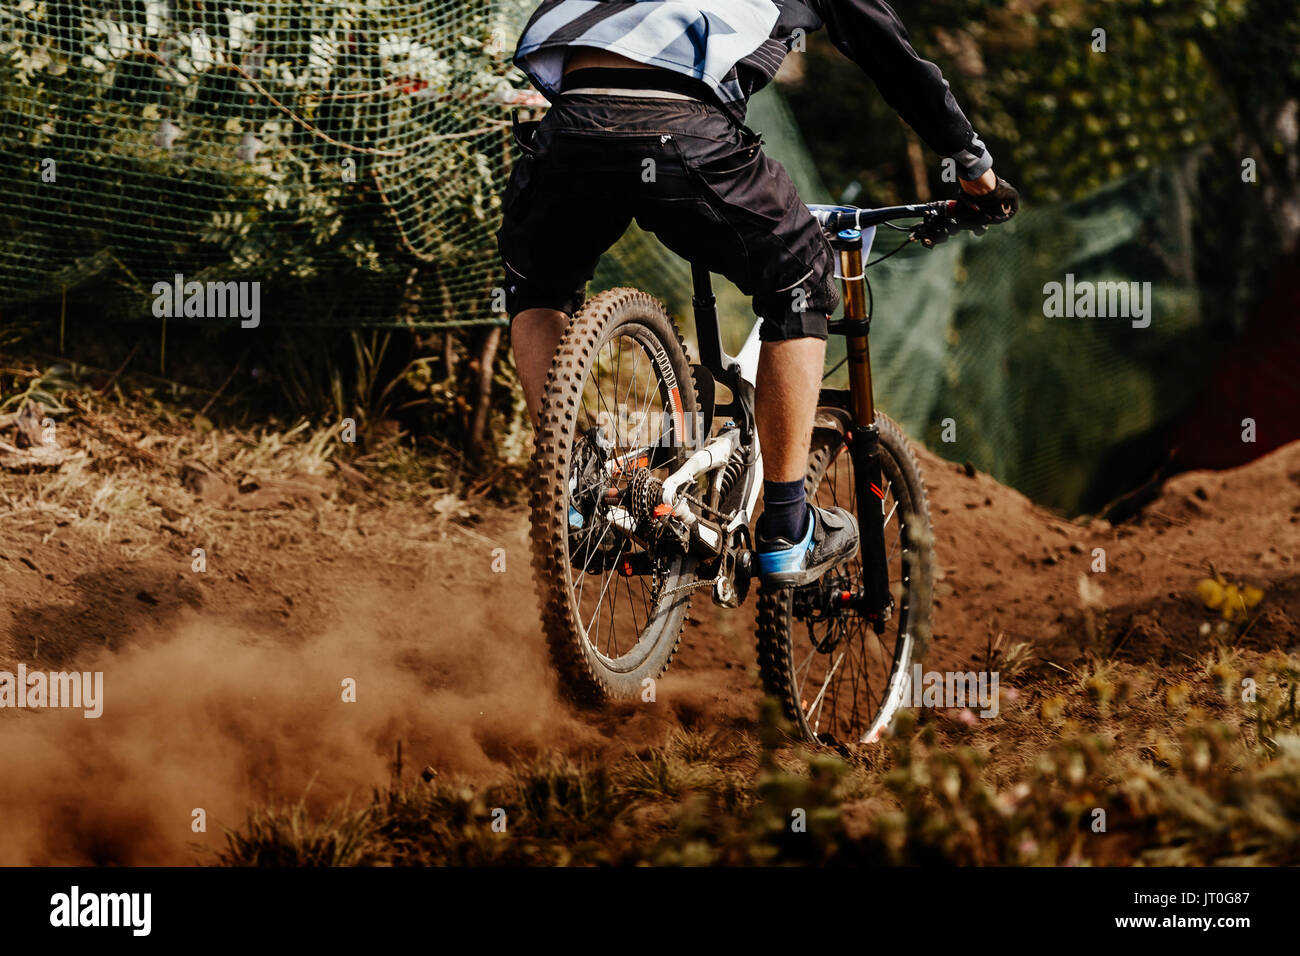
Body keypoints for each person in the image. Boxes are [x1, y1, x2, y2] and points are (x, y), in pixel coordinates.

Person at [498, 1, 1019, 587]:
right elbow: (893, 59)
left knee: (538, 288)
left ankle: (575, 491)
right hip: (683, 134)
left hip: (569, 128)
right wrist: (977, 175)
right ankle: (786, 528)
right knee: (803, 280)